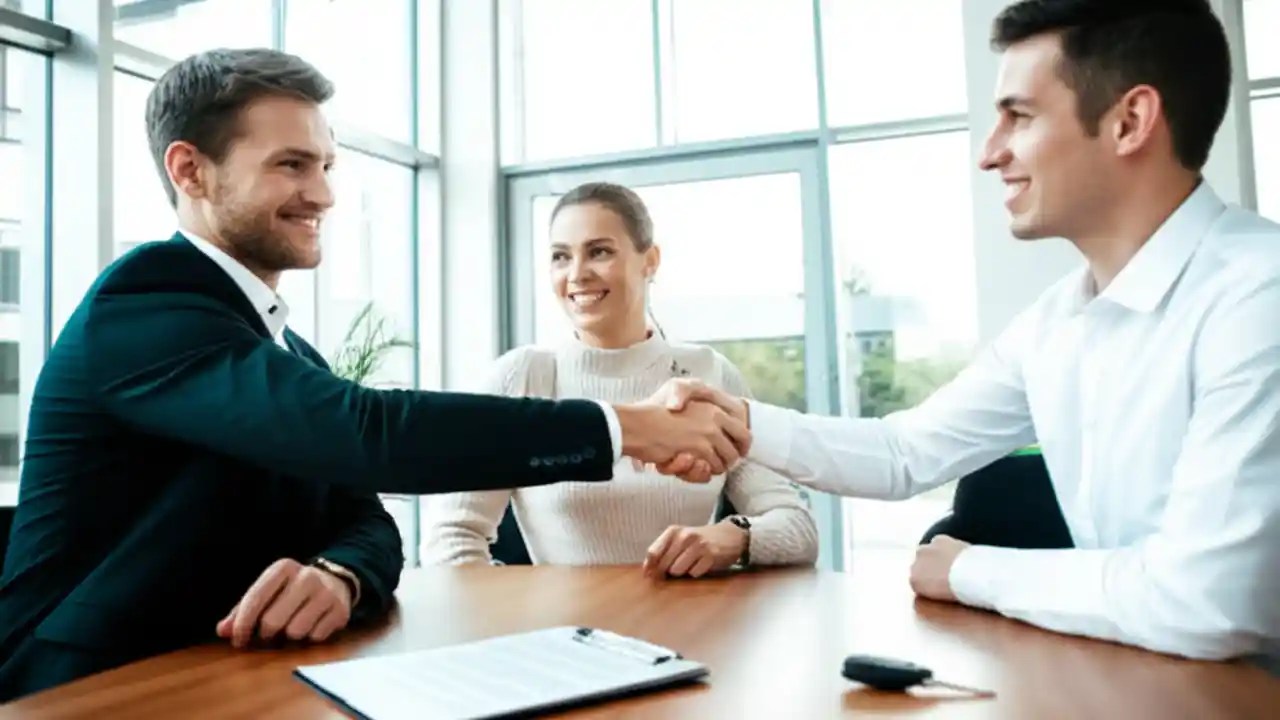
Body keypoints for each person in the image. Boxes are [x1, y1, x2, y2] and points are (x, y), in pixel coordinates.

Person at [0, 49, 748, 701]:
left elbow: (366, 520)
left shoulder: (287, 353)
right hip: (85, 692)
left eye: (325, 165)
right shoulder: (145, 306)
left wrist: (337, 574)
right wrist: (626, 426)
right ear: (190, 169)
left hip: (229, 678)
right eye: (290, 165)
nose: (323, 193)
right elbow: (371, 432)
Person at [656, 0, 1280, 664]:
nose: (990, 153)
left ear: (1129, 122)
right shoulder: (1057, 323)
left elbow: (1206, 601)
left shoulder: (1256, 296)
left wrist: (967, 569)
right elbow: (903, 452)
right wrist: (741, 422)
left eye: (1020, 116)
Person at [421, 183, 818, 575]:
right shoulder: (522, 377)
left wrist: (733, 537)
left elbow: (798, 527)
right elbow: (449, 538)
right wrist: (511, 623)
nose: (577, 274)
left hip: (691, 628)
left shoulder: (707, 374)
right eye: (561, 256)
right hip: (563, 635)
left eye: (599, 252)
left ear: (650, 261)